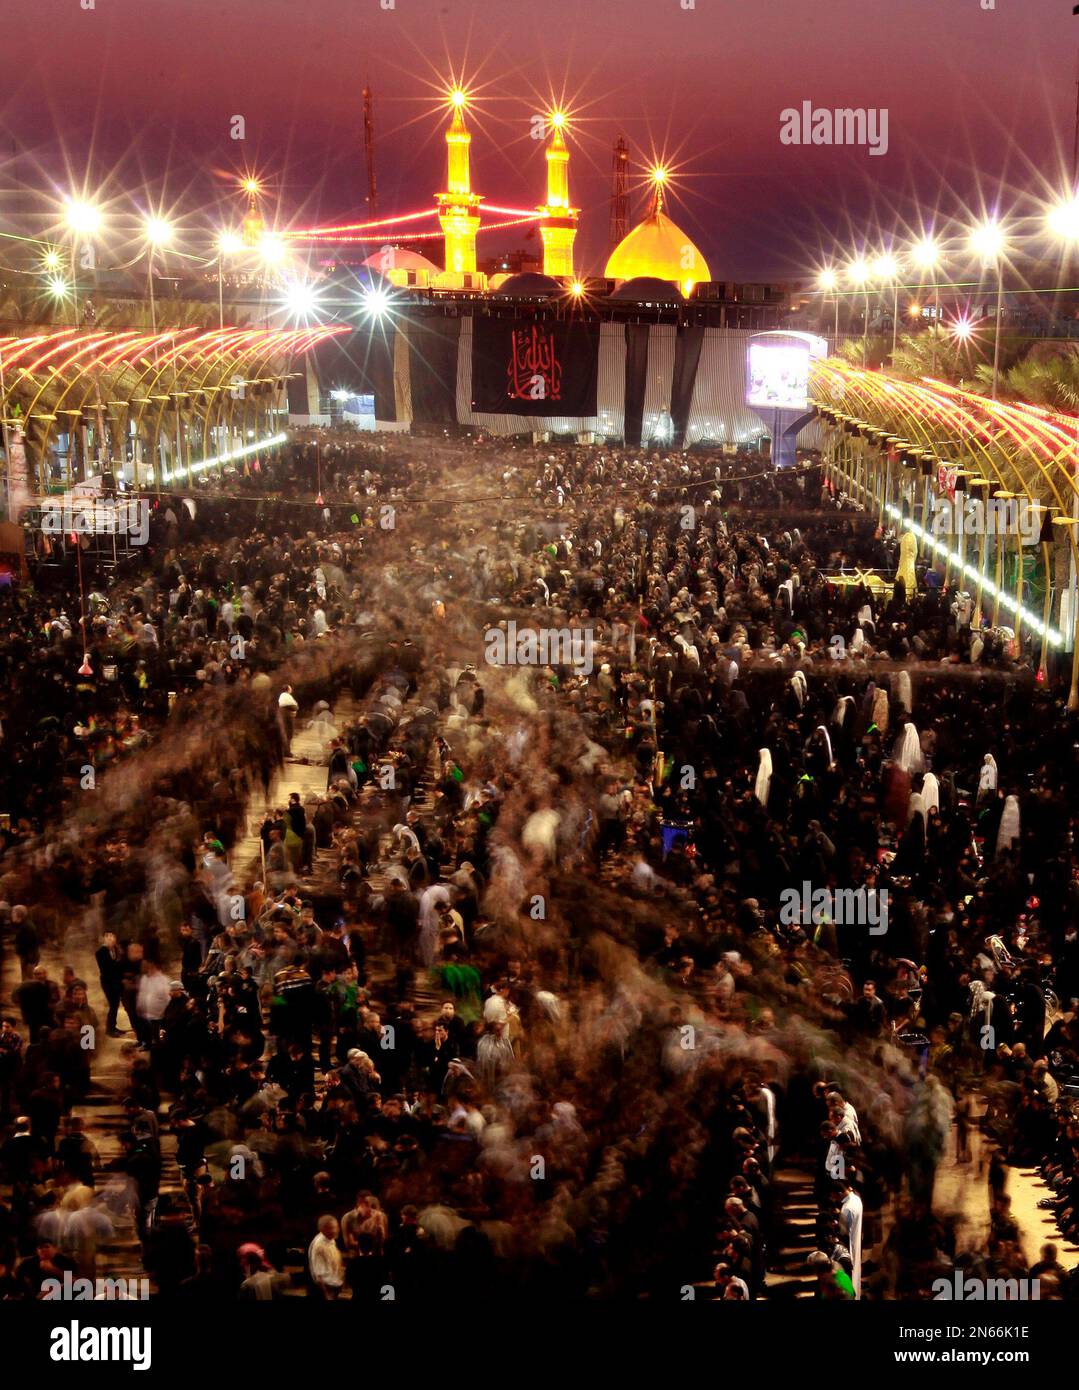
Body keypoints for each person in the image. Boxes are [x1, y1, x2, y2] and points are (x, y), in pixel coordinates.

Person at [95, 931, 126, 1036]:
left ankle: (113, 1026)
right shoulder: (100, 952)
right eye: (107, 936)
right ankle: (110, 1029)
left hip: (116, 981)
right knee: (113, 1004)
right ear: (104, 938)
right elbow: (105, 968)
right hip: (108, 982)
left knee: (115, 1004)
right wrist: (117, 965)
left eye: (112, 936)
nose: (110, 938)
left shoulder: (115, 950)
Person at [308, 1215, 345, 1298]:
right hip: (326, 1289)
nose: (337, 1230)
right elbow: (319, 1275)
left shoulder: (330, 1239)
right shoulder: (319, 1246)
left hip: (334, 1285)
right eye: (333, 1228)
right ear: (323, 1230)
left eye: (337, 1227)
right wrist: (327, 1295)